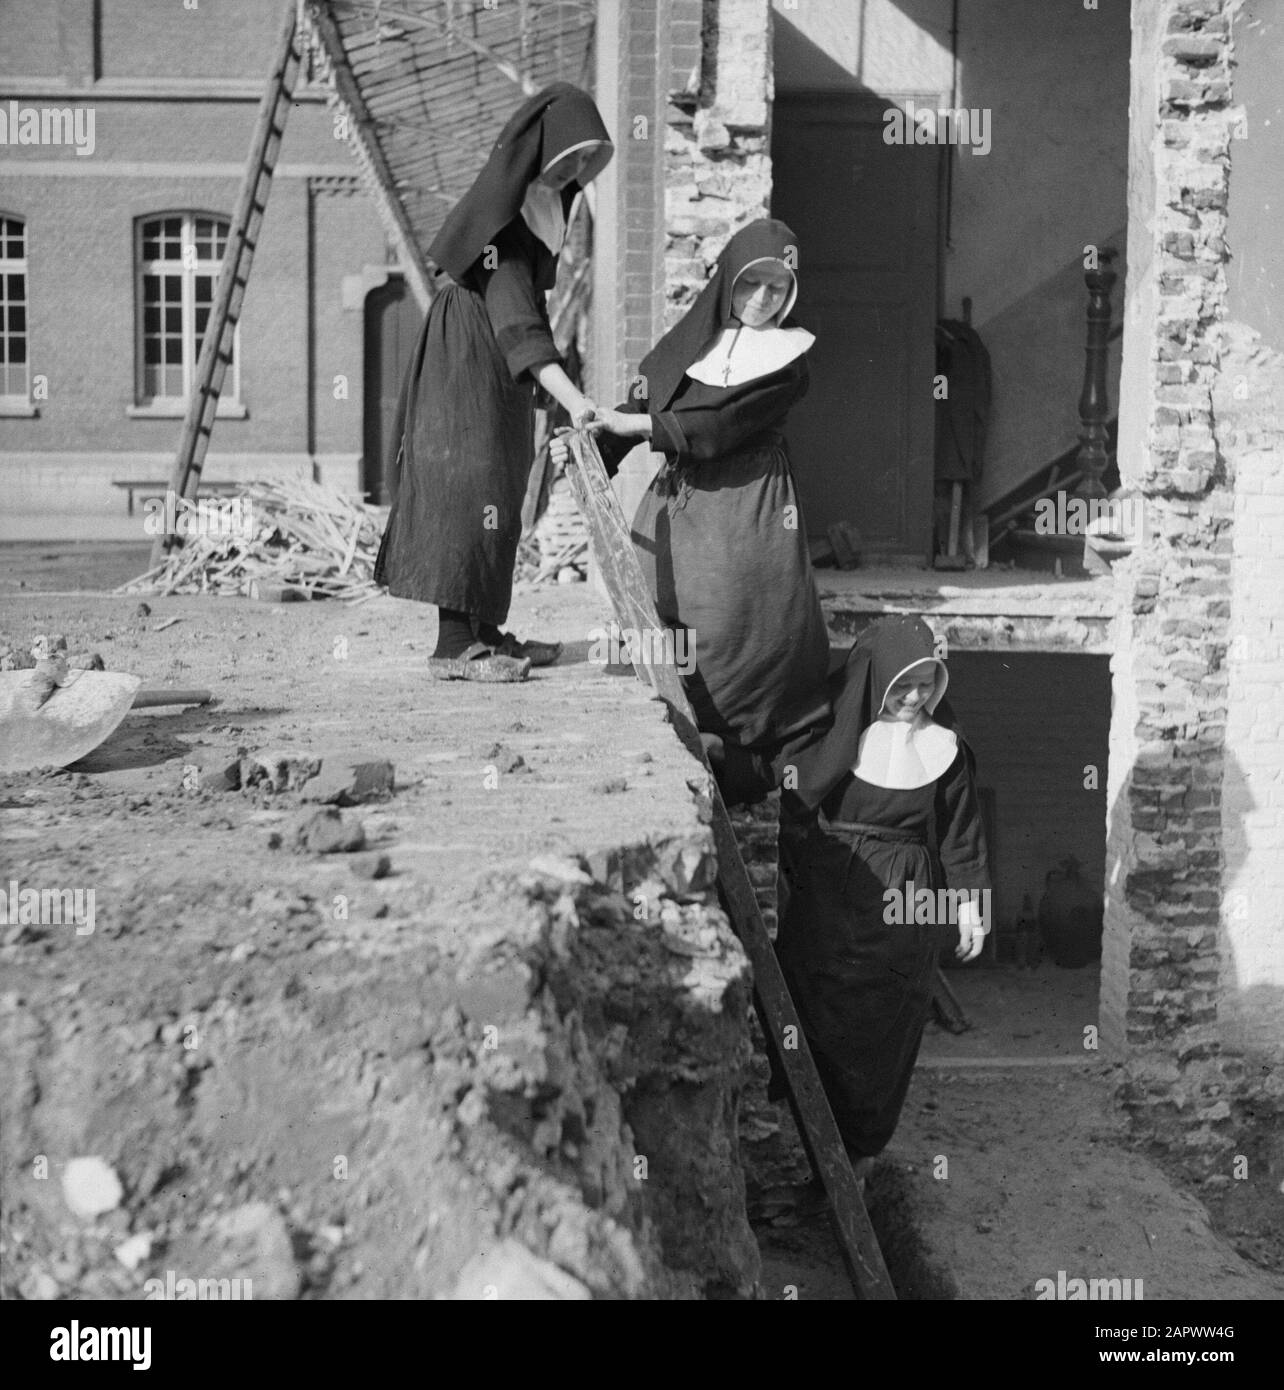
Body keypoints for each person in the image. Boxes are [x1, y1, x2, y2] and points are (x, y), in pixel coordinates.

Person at [552, 218, 831, 790]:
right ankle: (675, 726)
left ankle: (733, 750)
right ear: (729, 280)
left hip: (744, 504)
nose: (761, 300)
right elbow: (643, 400)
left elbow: (720, 424)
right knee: (661, 608)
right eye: (751, 284)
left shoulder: (789, 359)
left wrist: (634, 423)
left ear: (790, 294)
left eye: (776, 289)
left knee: (734, 623)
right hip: (679, 499)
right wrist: (590, 447)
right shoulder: (690, 344)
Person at [374, 83, 614, 682]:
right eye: (568, 156)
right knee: (470, 481)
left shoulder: (543, 209)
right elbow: (518, 322)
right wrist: (576, 400)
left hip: (495, 364)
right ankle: (452, 645)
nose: (577, 169)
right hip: (467, 359)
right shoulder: (503, 228)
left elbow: (524, 322)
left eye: (588, 159)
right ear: (540, 150)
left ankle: (485, 630)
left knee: (501, 482)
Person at [769, 615, 990, 1165]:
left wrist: (970, 908)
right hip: (834, 890)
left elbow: (961, 834)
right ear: (877, 680)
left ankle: (864, 1152)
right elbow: (794, 809)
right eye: (903, 684)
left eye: (925, 683)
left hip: (910, 896)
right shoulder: (837, 737)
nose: (914, 696)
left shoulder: (947, 747)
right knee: (821, 1008)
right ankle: (817, 1146)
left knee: (888, 1020)